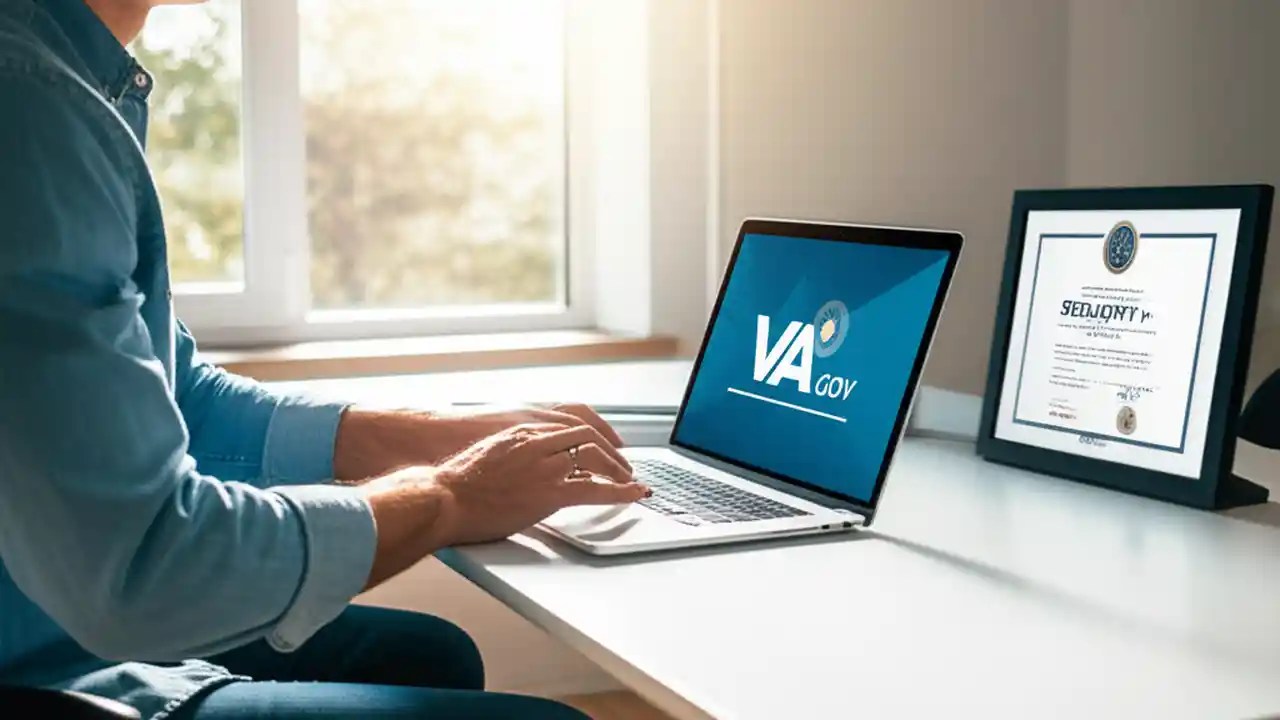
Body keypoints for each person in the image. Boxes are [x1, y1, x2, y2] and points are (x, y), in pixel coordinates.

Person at [0, 1, 649, 718]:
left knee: (435, 656)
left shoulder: (69, 75)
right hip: (47, 661)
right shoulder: (28, 103)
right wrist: (451, 495)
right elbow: (145, 568)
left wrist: (440, 436)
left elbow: (181, 397)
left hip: (52, 614)